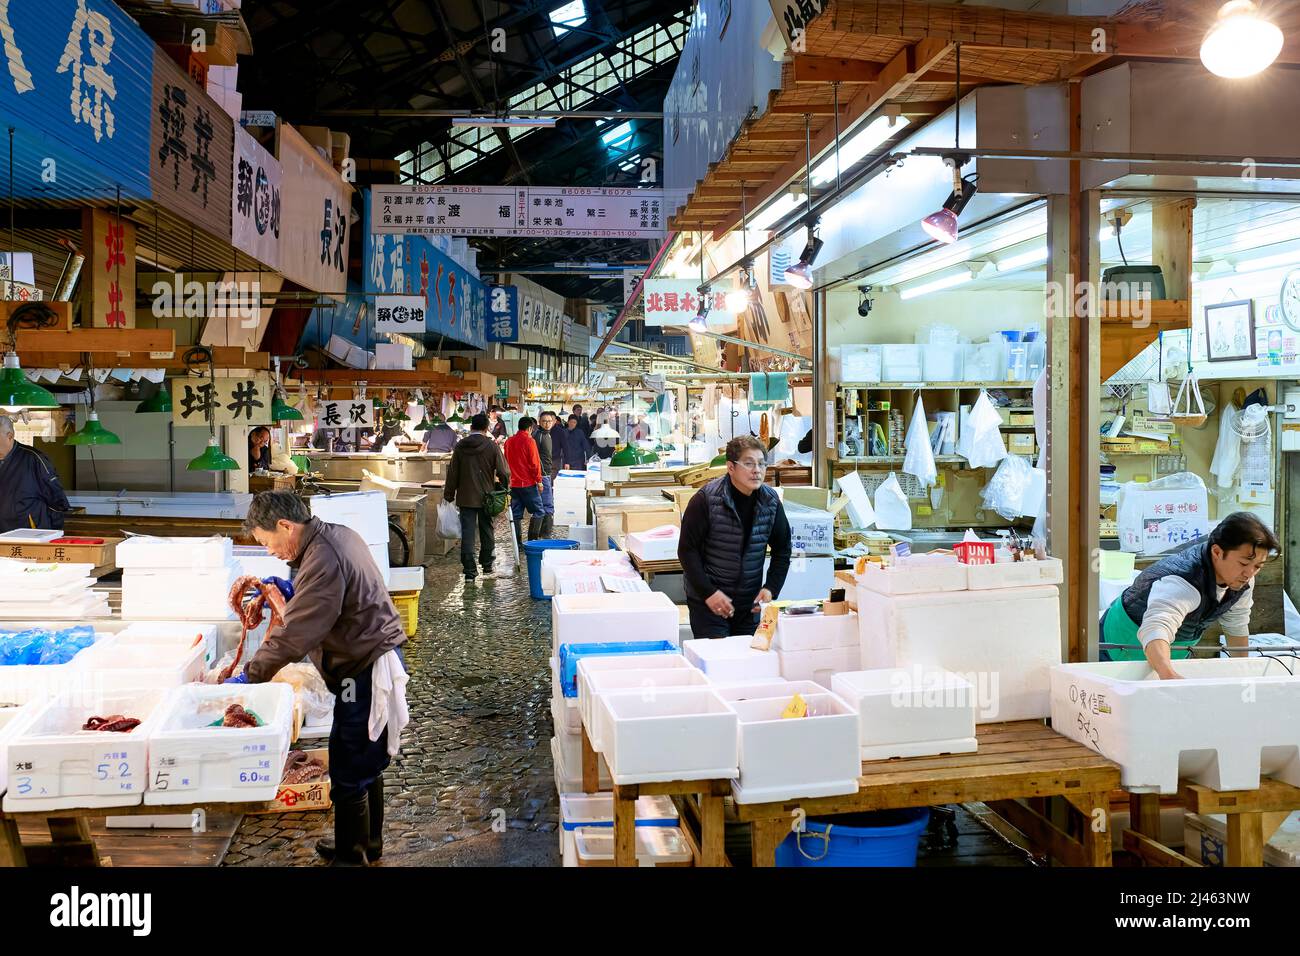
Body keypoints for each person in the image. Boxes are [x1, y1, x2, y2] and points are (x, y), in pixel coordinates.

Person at [235, 491, 408, 866]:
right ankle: (365, 844)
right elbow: (330, 598)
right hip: (367, 654)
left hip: (363, 665)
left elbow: (297, 632)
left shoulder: (323, 554)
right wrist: (293, 592)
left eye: (267, 542)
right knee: (364, 755)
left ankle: (352, 855)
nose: (269, 551)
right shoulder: (333, 535)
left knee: (349, 760)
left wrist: (250, 676)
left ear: (285, 526)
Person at [1100, 512, 1277, 679]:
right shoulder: (1182, 582)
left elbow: (1236, 625)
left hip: (1171, 654)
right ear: (1217, 552)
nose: (1250, 573)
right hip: (1116, 648)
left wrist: (1243, 675)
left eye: (1258, 566)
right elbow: (1156, 629)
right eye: (1244, 563)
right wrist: (1168, 676)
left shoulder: (1242, 579)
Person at [678, 436, 792, 639]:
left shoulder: (771, 501)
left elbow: (782, 549)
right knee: (717, 661)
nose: (757, 470)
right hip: (709, 603)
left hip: (749, 605)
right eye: (749, 463)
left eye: (761, 463)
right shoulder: (705, 500)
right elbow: (687, 551)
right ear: (731, 467)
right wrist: (708, 593)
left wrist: (771, 588)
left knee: (746, 662)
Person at [443, 413, 510, 582]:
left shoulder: (460, 446)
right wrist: (503, 487)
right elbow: (504, 472)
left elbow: (453, 472)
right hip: (487, 497)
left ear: (471, 427)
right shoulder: (491, 446)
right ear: (487, 428)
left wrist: (449, 494)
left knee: (468, 533)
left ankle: (469, 572)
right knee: (487, 530)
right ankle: (487, 567)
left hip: (466, 497)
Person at [0, 415, 70, 533]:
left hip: (30, 534)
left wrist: (51, 534)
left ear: (10, 436)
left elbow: (58, 502)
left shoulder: (34, 459)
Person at [504, 416, 546, 544]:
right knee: (539, 511)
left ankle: (518, 544)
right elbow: (534, 463)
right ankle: (532, 542)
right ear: (530, 428)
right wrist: (539, 481)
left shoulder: (509, 441)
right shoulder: (529, 441)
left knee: (516, 515)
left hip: (513, 484)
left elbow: (505, 461)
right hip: (528, 484)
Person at [532, 411, 557, 537]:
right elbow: (535, 457)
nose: (547, 424)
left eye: (549, 421)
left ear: (553, 422)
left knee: (544, 504)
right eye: (544, 421)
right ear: (539, 422)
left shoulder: (547, 434)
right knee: (547, 505)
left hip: (546, 473)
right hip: (542, 475)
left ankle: (541, 534)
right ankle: (545, 535)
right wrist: (540, 476)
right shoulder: (539, 435)